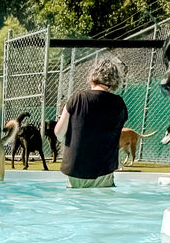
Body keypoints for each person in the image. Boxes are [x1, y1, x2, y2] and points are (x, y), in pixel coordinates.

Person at [54, 60, 128, 188]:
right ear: (115, 82)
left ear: (92, 78)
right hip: (104, 170)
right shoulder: (119, 104)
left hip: (77, 169)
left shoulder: (78, 98)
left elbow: (59, 133)